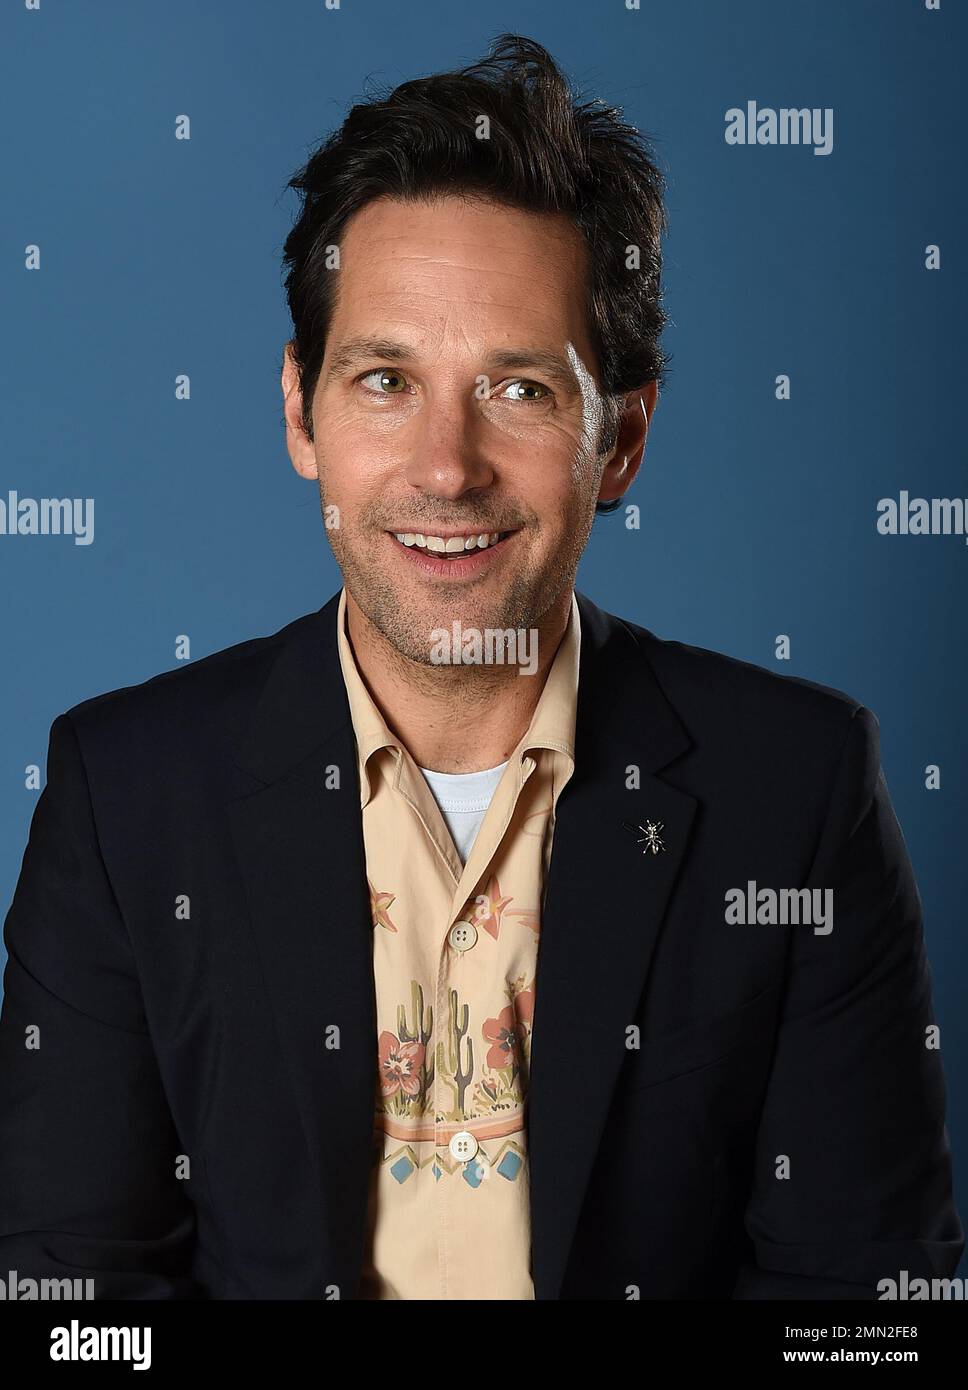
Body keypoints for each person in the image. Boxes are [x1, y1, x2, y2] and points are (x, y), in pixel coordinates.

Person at [0, 33, 961, 1301]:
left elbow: (858, 1316)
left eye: (516, 390)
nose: (445, 468)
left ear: (618, 437)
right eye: (385, 379)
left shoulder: (796, 791)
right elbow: (74, 1309)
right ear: (301, 414)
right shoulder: (124, 794)